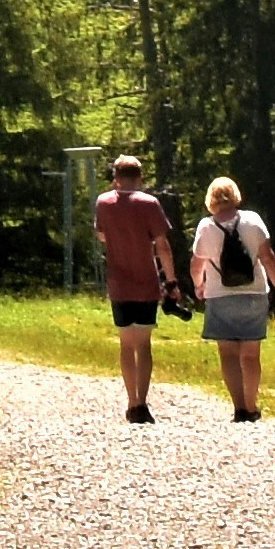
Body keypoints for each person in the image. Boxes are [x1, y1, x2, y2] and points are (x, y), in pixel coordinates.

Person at [87, 149, 178, 423]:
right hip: (147, 282)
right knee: (144, 344)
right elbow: (162, 246)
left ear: (116, 178)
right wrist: (171, 281)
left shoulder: (104, 203)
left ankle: (130, 401)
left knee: (126, 344)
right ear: (139, 178)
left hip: (119, 283)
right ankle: (142, 401)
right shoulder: (149, 204)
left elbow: (101, 235)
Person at [191, 174, 275, 422]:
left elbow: (196, 263)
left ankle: (239, 408)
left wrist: (199, 285)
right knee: (251, 355)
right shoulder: (252, 220)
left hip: (219, 296)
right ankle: (252, 405)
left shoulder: (206, 227)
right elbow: (268, 258)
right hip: (254, 294)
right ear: (235, 196)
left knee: (229, 354)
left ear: (210, 199)